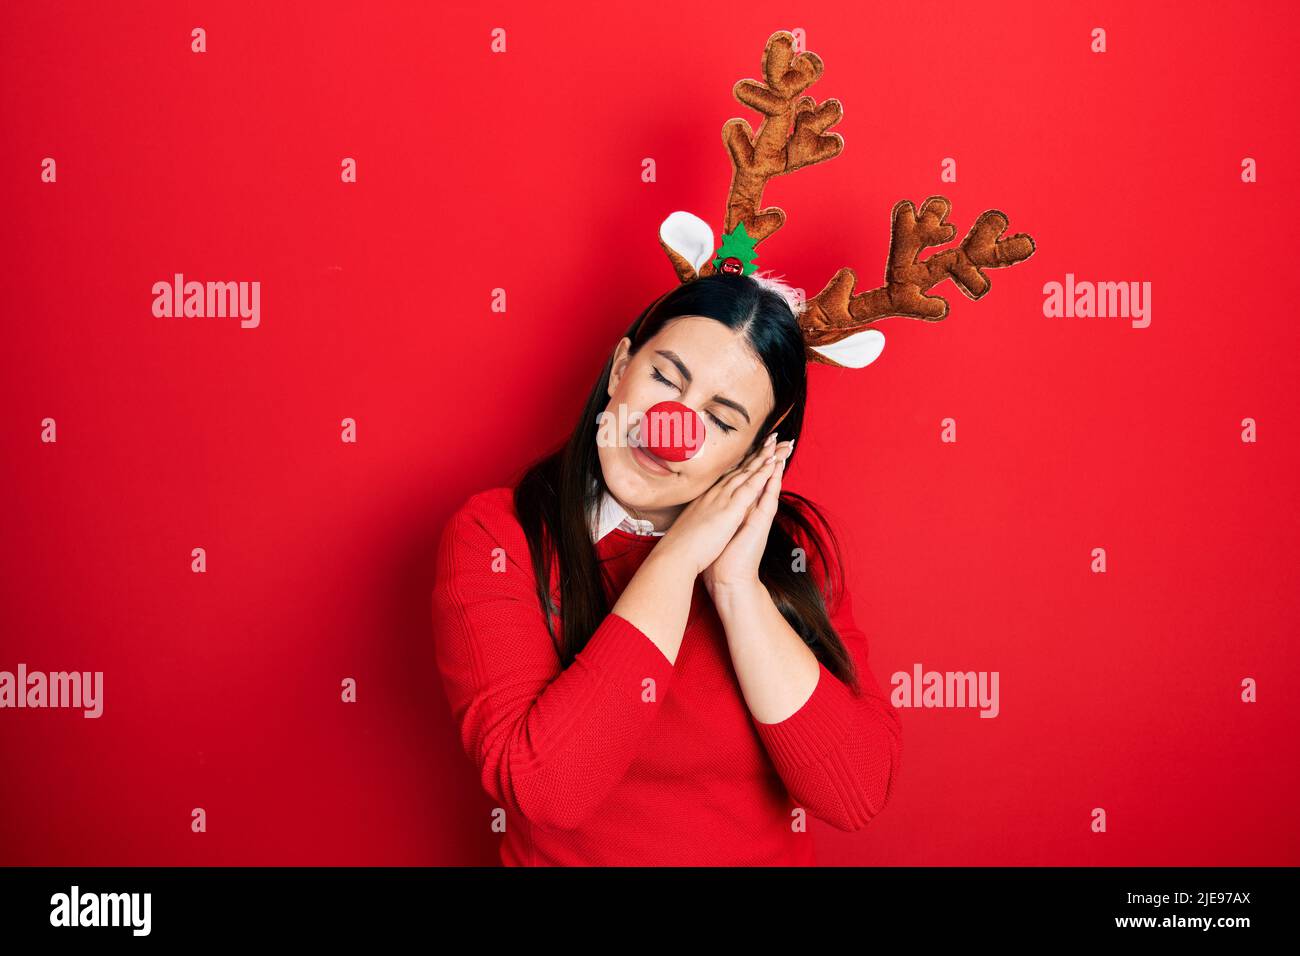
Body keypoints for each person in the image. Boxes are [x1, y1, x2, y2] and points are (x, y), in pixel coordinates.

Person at [430, 271, 903, 865]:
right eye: (663, 377)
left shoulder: (793, 550)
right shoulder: (498, 537)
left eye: (723, 419)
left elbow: (854, 794)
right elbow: (549, 789)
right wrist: (678, 558)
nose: (671, 430)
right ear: (621, 367)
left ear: (759, 451)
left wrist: (736, 587)